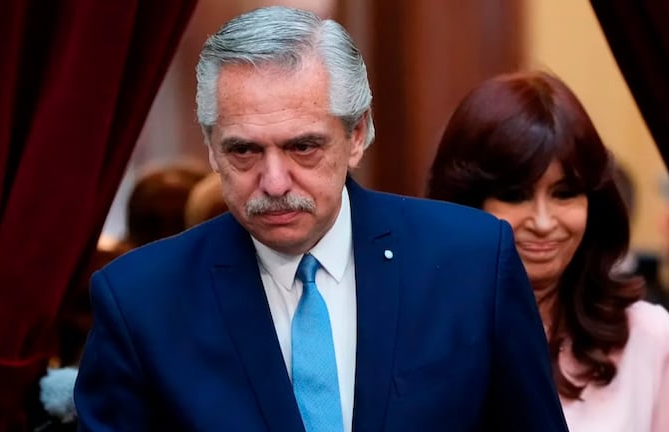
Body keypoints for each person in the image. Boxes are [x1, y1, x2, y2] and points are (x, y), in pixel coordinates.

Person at [74, 7, 568, 431]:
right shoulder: (141, 301)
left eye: (303, 147)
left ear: (356, 135)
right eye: (243, 150)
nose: (273, 182)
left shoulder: (472, 262)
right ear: (210, 148)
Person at [427, 71, 669, 431]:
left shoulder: (645, 335)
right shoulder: (416, 334)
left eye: (564, 193)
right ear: (466, 204)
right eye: (515, 195)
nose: (542, 221)